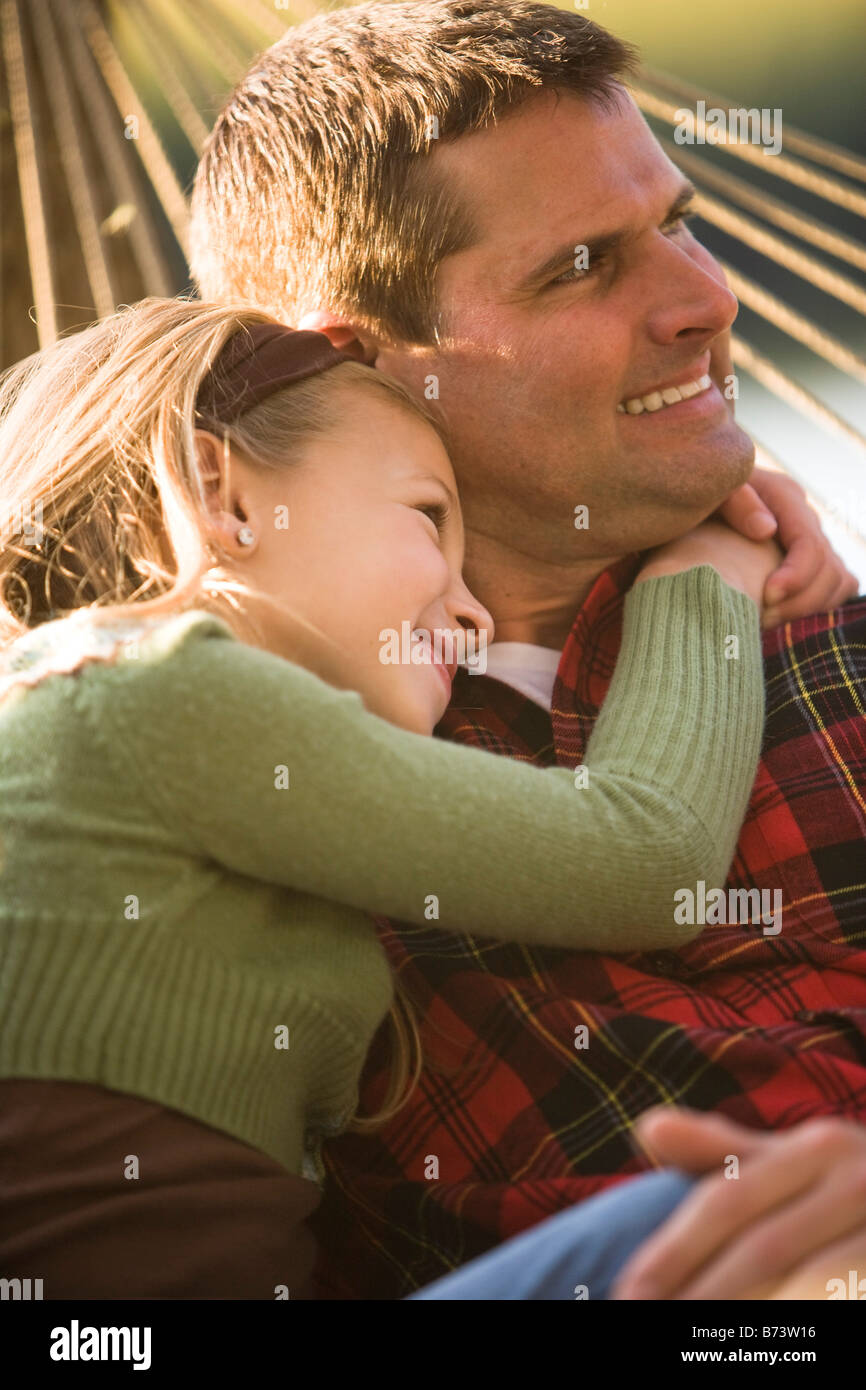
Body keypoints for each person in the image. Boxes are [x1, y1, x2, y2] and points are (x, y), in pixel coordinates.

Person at [187, 0, 866, 1301]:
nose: (706, 298)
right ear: (370, 370)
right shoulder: (257, 782)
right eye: (579, 267)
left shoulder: (824, 638)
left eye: (677, 221)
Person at [0, 294, 781, 1298]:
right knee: (739, 1215)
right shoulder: (151, 689)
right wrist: (704, 562)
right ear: (219, 492)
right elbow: (647, 856)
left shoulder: (110, 730)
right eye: (426, 517)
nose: (473, 607)